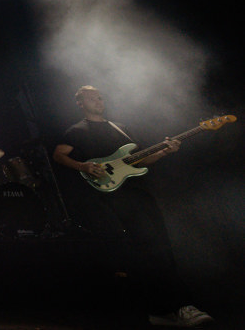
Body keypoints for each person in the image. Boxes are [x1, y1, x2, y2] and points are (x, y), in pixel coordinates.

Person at [52, 86, 213, 327]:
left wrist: (165, 152)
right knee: (146, 249)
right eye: (92, 96)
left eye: (100, 95)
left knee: (159, 245)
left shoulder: (121, 128)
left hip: (139, 193)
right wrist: (82, 166)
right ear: (80, 102)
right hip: (111, 196)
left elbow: (142, 159)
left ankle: (164, 310)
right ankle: (177, 307)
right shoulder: (76, 131)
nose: (99, 99)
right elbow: (59, 155)